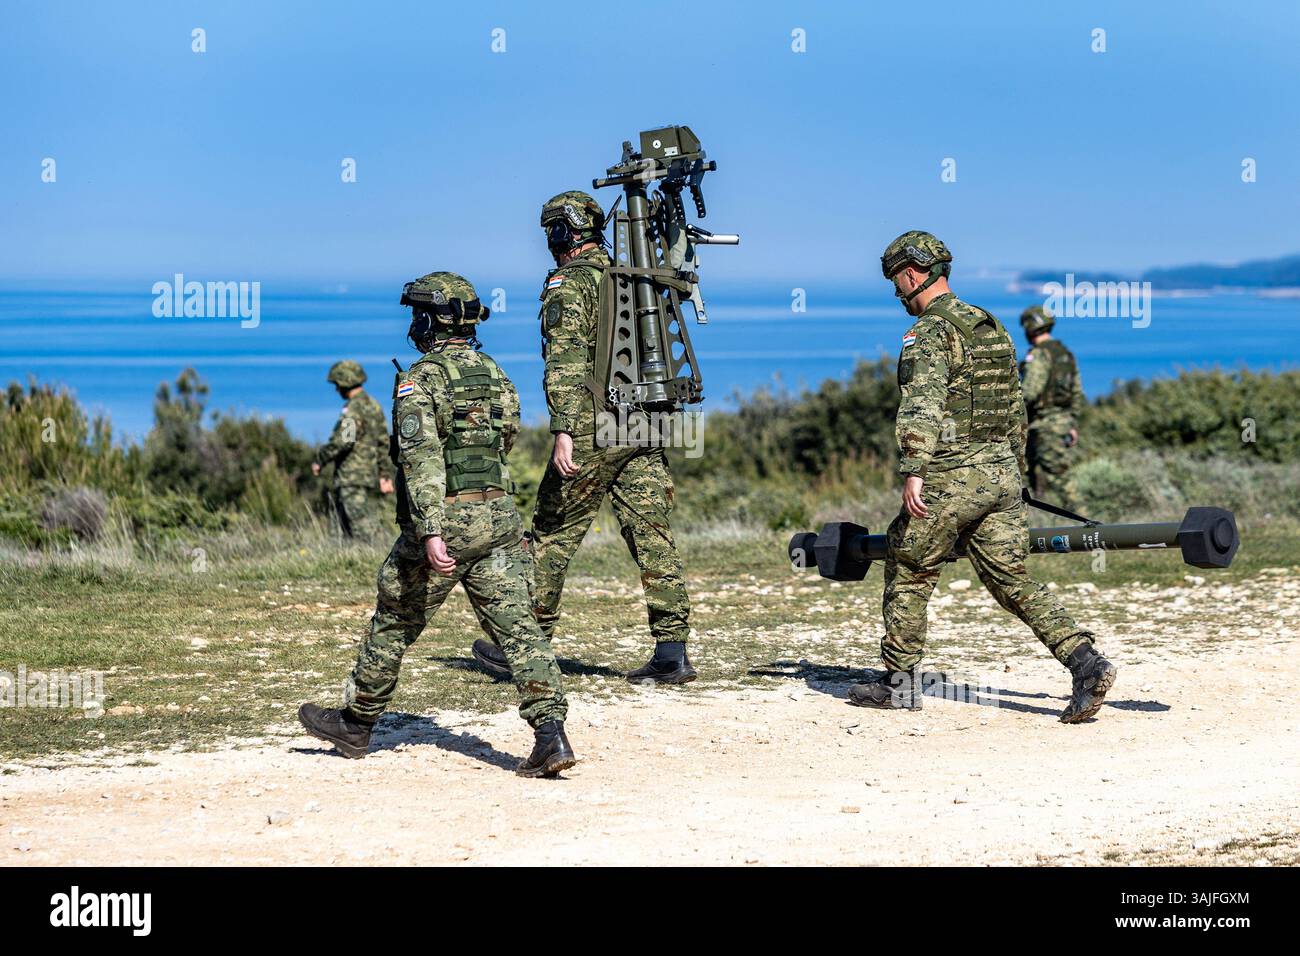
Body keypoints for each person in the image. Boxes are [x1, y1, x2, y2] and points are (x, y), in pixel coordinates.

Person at [299, 272, 576, 776]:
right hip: (499, 517)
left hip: (447, 519)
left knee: (395, 617)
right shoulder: (495, 372)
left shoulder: (419, 381)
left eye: (416, 314)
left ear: (429, 320)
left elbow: (420, 458)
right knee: (518, 629)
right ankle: (550, 735)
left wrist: (430, 528)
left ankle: (357, 723)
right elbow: (507, 434)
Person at [849, 231, 1116, 723]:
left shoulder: (928, 332)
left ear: (912, 274)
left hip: (952, 477)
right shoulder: (990, 326)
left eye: (895, 281)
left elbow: (921, 406)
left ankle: (899, 684)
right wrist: (1015, 471)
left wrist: (913, 472)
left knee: (908, 565)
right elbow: (1015, 409)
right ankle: (1084, 661)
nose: (895, 293)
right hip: (1000, 476)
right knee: (1012, 579)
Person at [471, 190, 695, 686]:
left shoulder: (568, 284)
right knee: (651, 532)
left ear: (560, 232)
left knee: (553, 530)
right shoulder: (629, 276)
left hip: (596, 422)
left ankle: (524, 646)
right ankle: (672, 649)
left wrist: (565, 430)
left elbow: (566, 362)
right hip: (643, 418)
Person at [312, 360, 393, 538]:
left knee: (360, 532)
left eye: (337, 384)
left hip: (352, 478)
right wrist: (384, 475)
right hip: (369, 477)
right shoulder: (374, 405)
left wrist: (320, 459)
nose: (336, 389)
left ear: (344, 382)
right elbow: (383, 442)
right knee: (363, 526)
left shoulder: (353, 408)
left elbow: (345, 440)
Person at [1019, 306, 1085, 509]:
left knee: (1057, 476)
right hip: (1061, 421)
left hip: (1044, 424)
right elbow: (1076, 391)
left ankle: (1085, 520)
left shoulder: (1039, 355)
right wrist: (1071, 423)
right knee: (1034, 475)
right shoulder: (1065, 354)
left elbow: (1029, 391)